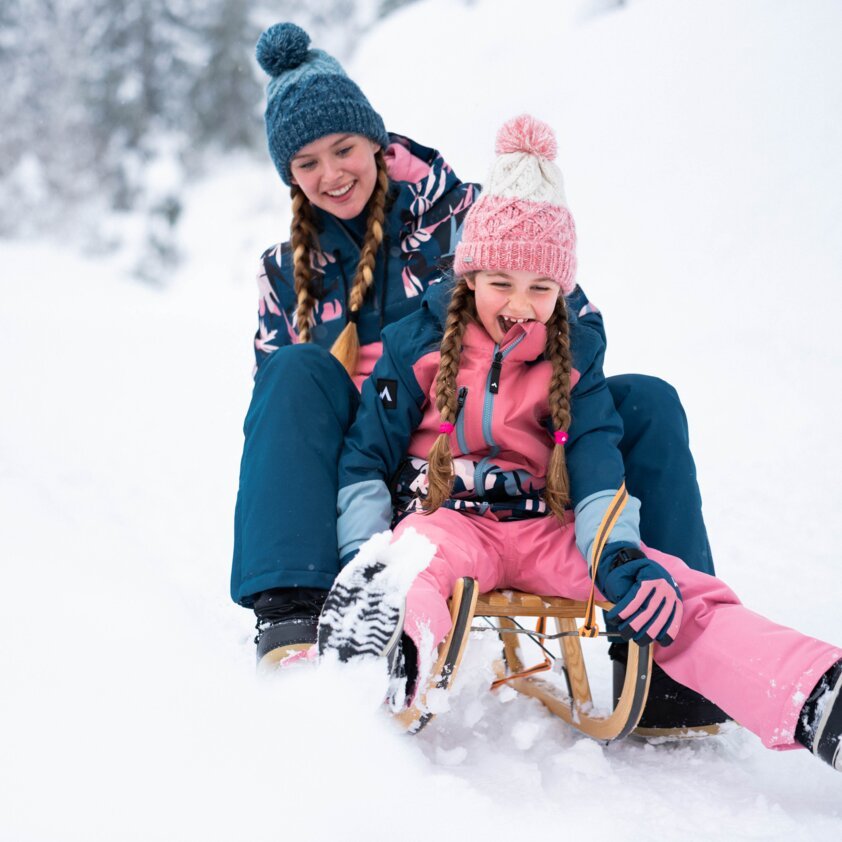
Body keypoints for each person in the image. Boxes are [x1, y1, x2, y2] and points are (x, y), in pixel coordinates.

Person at [232, 22, 720, 729]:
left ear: (376, 139)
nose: (331, 174)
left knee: (646, 401)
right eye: (306, 163)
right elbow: (281, 420)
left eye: (343, 149)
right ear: (289, 176)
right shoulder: (287, 271)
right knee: (294, 372)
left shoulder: (469, 215)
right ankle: (297, 615)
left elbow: (572, 325)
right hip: (374, 460)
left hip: (506, 453)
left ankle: (671, 646)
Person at [317, 115, 842, 771]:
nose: (520, 304)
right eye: (502, 283)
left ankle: (816, 695)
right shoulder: (416, 341)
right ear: (472, 274)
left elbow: (596, 463)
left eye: (541, 288)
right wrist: (365, 547)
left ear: (561, 290)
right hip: (446, 516)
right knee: (410, 565)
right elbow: (367, 453)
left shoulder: (574, 355)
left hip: (545, 528)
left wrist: (618, 553)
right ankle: (384, 653)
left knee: (672, 593)